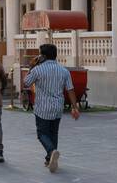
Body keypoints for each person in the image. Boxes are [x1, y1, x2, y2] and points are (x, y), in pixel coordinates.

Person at [21, 43, 80, 172]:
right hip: (58, 106)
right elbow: (70, 89)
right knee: (54, 133)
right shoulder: (64, 70)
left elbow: (26, 82)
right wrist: (75, 107)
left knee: (42, 133)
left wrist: (31, 67)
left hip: (43, 106)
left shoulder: (38, 70)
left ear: (43, 56)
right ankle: (50, 159)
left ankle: (51, 151)